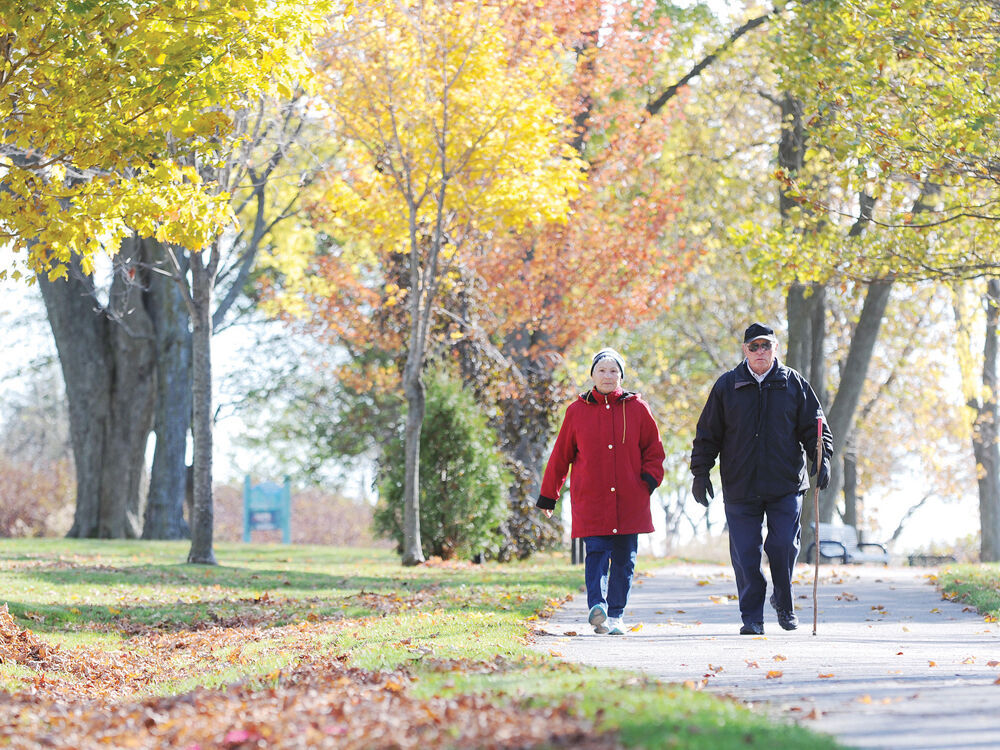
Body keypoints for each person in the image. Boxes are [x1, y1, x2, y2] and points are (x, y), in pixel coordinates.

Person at [689, 323, 833, 635]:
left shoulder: (793, 383)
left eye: (765, 346)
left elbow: (816, 427)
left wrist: (822, 459)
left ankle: (783, 599)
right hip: (741, 486)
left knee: (782, 546)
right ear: (744, 350)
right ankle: (752, 616)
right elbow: (707, 434)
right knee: (746, 553)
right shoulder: (728, 385)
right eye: (753, 346)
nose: (760, 352)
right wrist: (700, 473)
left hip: (785, 485)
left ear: (775, 349)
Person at [536, 348, 665, 635]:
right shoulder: (576, 411)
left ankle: (616, 614)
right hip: (591, 499)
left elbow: (654, 450)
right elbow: (560, 456)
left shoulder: (637, 408)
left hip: (630, 499)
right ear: (592, 375)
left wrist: (649, 480)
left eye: (613, 371)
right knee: (595, 552)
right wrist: (549, 495)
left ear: (621, 376)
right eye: (602, 370)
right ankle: (598, 606)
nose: (608, 376)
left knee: (624, 559)